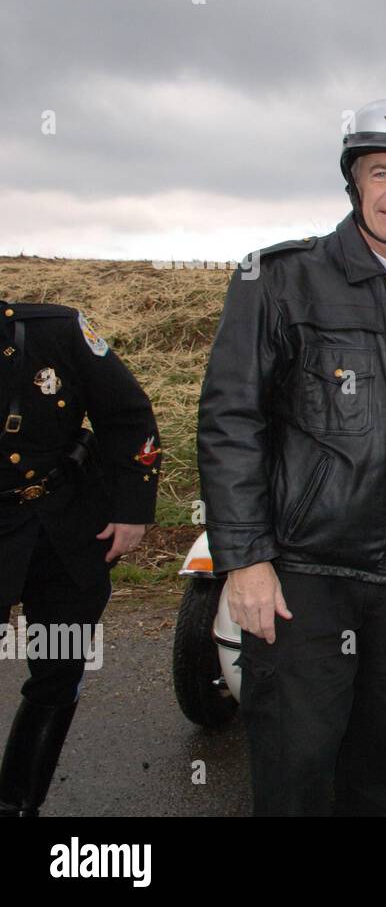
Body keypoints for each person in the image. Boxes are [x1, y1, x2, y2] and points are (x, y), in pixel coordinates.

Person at [197, 98, 386, 816]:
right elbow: (230, 420)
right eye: (380, 172)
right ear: (353, 181)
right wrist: (245, 557)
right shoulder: (279, 281)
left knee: (385, 771)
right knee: (296, 767)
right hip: (303, 574)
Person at [0, 299, 160, 816]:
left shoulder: (55, 329)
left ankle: (19, 801)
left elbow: (126, 414)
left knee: (58, 664)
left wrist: (132, 509)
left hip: (63, 527)